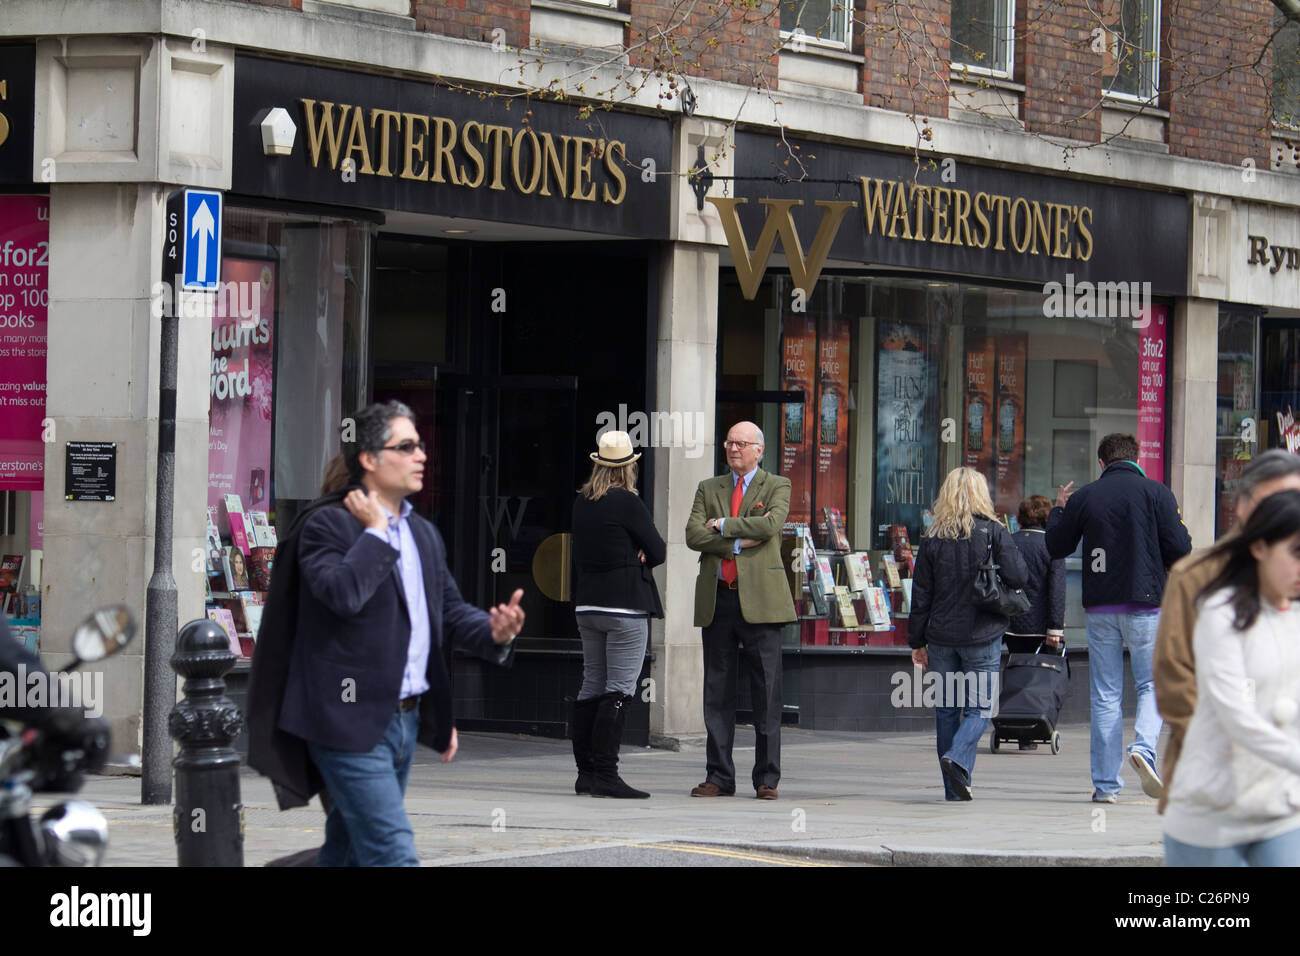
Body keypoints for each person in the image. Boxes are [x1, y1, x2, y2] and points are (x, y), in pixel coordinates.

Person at [246, 400, 525, 866]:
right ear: (370, 460)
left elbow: (450, 613)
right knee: (393, 852)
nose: (422, 456)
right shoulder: (327, 525)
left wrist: (496, 632)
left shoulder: (423, 534)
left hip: (403, 721)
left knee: (349, 850)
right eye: (407, 446)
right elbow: (341, 594)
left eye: (420, 446)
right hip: (344, 719)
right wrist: (376, 534)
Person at [1046, 433, 1192, 804]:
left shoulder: (1085, 497)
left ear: (1101, 462)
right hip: (1146, 606)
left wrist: (1059, 509)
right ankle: (1144, 747)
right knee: (1152, 685)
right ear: (1137, 458)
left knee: (1106, 694)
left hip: (1100, 608)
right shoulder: (1158, 493)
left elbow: (1056, 546)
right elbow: (1181, 549)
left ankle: (1106, 786)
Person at [1154, 450, 1300, 812]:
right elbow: (1175, 675)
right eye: (1273, 502)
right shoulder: (1198, 575)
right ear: (1242, 505)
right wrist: (1227, 746)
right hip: (1216, 781)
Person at [684, 421, 795, 799]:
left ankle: (767, 778)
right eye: (729, 442)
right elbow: (692, 535)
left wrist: (722, 525)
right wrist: (734, 542)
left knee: (767, 691)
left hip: (762, 603)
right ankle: (719, 776)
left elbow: (770, 526)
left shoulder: (778, 485)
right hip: (719, 599)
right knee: (717, 692)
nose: (733, 449)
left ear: (759, 450)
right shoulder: (708, 487)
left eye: (741, 443)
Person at [910, 467, 1027, 800]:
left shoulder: (932, 538)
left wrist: (917, 642)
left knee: (946, 711)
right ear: (981, 494)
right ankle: (958, 758)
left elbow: (921, 595)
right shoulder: (993, 532)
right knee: (980, 709)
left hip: (942, 637)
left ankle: (955, 790)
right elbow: (1020, 577)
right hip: (983, 634)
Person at [570, 430, 666, 799]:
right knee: (621, 690)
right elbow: (657, 550)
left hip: (588, 605)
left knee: (591, 684)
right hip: (624, 606)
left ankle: (586, 774)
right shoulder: (627, 501)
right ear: (629, 467)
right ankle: (607, 774)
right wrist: (639, 549)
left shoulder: (582, 502)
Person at [1002, 494, 1066, 749]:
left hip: (1011, 625)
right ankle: (1033, 726)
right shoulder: (1052, 545)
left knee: (1016, 675)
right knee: (1039, 680)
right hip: (1040, 626)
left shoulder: (1009, 541)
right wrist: (1055, 628)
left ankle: (1015, 724)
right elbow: (1056, 590)